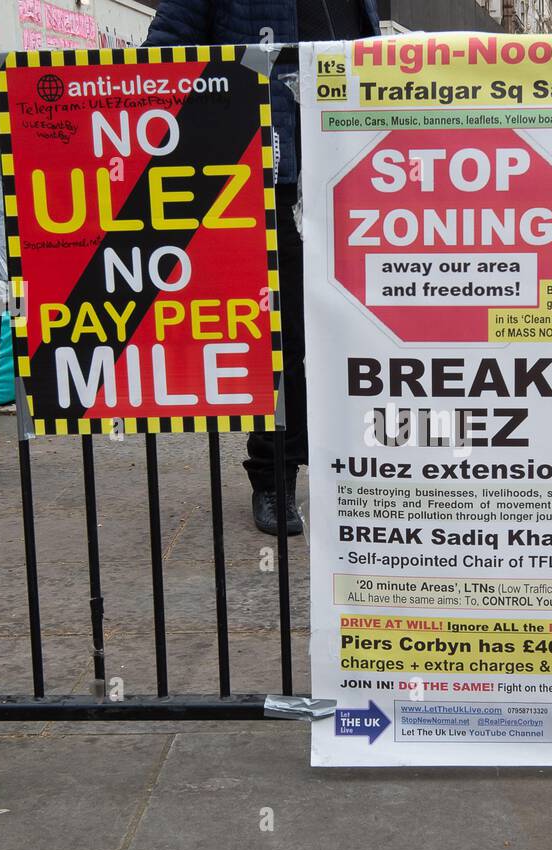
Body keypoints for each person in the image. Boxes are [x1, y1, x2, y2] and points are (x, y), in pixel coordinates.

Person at [146, 1, 380, 535]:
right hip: (273, 181)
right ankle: (275, 478)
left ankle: (361, 469)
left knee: (357, 334)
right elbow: (161, 60)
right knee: (285, 345)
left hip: (356, 176)